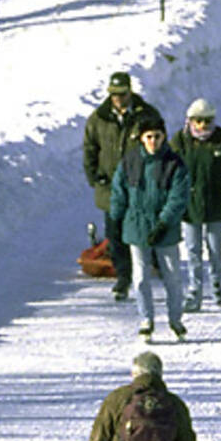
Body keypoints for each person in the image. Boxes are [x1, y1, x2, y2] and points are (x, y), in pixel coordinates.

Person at [84, 71, 163, 301]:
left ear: (130, 91)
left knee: (146, 227)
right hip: (110, 187)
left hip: (140, 185)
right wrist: (94, 176)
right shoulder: (98, 118)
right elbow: (90, 148)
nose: (118, 99)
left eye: (122, 94)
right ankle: (123, 277)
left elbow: (159, 144)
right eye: (114, 95)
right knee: (115, 233)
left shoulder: (146, 115)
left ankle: (156, 263)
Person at [111, 114, 191, 342]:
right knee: (140, 277)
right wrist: (116, 220)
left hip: (166, 228)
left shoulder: (174, 164)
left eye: (157, 136)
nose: (153, 141)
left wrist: (164, 223)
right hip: (136, 225)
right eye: (149, 137)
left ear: (164, 136)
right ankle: (146, 319)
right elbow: (119, 191)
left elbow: (178, 197)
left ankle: (176, 319)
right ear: (141, 138)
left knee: (172, 276)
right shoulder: (130, 161)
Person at [171, 98, 221, 311]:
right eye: (198, 121)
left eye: (207, 121)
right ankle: (195, 291)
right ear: (190, 121)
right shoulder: (180, 141)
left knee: (215, 248)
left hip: (216, 203)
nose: (203, 126)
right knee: (193, 249)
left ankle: (216, 282)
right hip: (189, 205)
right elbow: (166, 170)